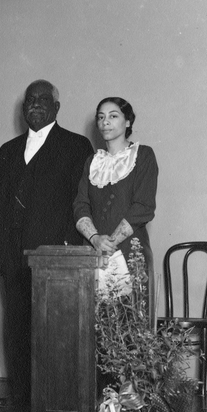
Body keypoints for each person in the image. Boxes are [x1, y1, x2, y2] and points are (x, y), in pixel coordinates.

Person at [0, 80, 93, 412]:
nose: (35, 105)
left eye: (43, 100)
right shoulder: (9, 150)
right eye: (30, 101)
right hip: (13, 253)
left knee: (51, 329)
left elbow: (81, 202)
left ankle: (50, 400)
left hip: (53, 256)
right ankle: (21, 396)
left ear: (57, 108)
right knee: (15, 325)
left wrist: (68, 248)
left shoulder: (76, 146)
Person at [73, 97, 157, 278]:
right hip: (93, 253)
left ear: (127, 121)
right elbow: (81, 205)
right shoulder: (92, 161)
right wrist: (95, 239)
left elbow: (143, 207)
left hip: (130, 252)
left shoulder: (143, 155)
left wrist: (108, 245)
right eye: (101, 117)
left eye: (113, 116)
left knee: (130, 306)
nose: (105, 122)